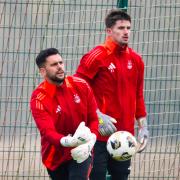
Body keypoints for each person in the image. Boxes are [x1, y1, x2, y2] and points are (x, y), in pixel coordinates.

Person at [75, 9, 149, 180]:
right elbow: (77, 88)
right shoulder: (97, 56)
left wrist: (143, 126)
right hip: (98, 134)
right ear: (109, 31)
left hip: (124, 137)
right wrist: (98, 115)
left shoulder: (136, 60)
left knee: (121, 177)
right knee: (97, 176)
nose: (126, 32)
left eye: (128, 28)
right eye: (121, 28)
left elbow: (138, 95)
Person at [30, 48, 98, 180]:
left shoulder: (82, 85)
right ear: (43, 71)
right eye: (54, 65)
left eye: (61, 62)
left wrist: (91, 141)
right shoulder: (38, 98)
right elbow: (47, 132)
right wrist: (68, 141)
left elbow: (94, 119)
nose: (60, 67)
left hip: (82, 150)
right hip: (55, 157)